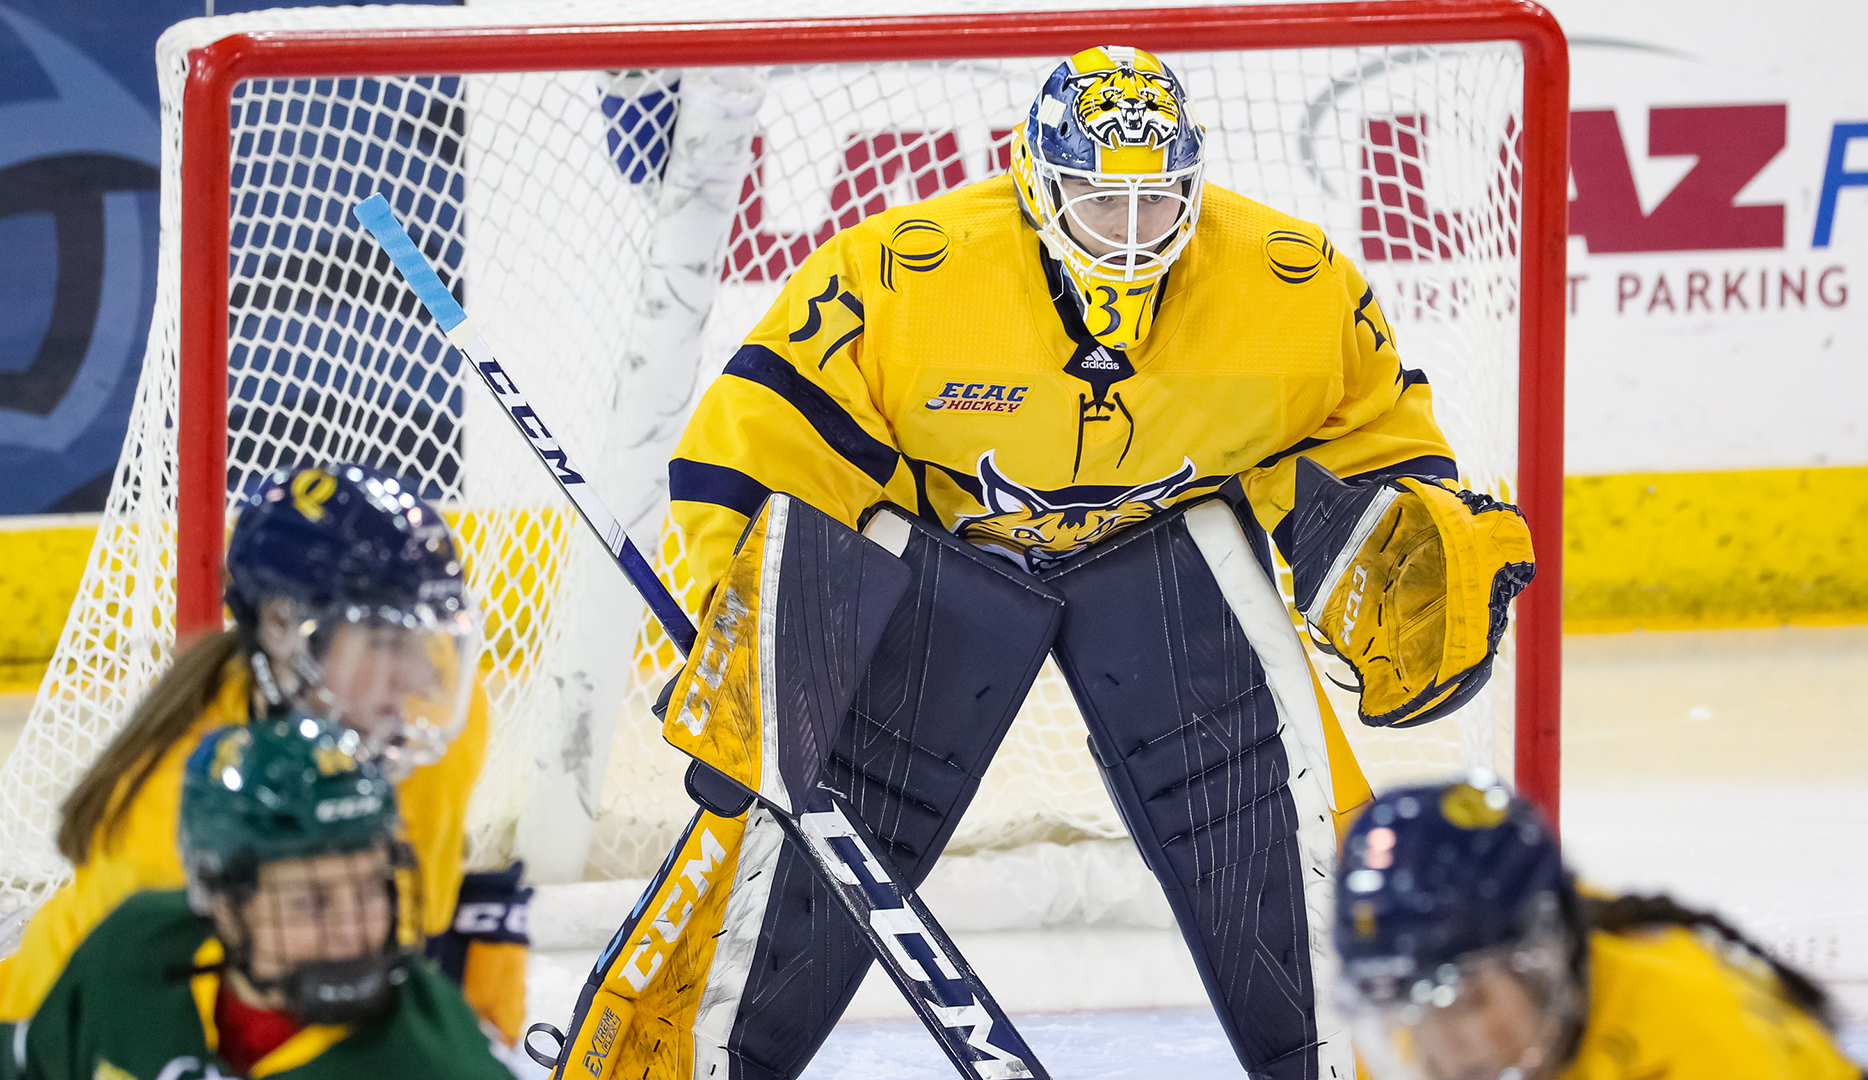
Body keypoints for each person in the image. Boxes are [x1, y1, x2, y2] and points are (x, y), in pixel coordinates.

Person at [564, 45, 1534, 1080]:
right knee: (778, 835)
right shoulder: (907, 275)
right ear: (1037, 181)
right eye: (1100, 199)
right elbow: (765, 445)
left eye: (1157, 200)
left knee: (1278, 828)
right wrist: (745, 643)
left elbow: (1375, 438)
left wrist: (1416, 547)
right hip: (936, 572)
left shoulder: (1290, 285)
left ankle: (1363, 1062)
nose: (1131, 231)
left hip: (1172, 577)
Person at [0, 463, 528, 1046]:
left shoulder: (424, 718)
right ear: (281, 626)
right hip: (68, 1029)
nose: (420, 677)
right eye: (384, 641)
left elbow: (404, 939)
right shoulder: (175, 814)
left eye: (426, 639)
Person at [0, 715, 515, 1079]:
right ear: (224, 903)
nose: (352, 930)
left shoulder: (437, 1059)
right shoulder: (138, 953)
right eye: (310, 903)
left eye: (369, 890)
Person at [1332, 777, 1867, 1080]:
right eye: (1398, 1006)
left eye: (1463, 999)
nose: (1441, 1049)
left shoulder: (1694, 1047)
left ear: (1542, 959)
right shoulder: (1540, 971)